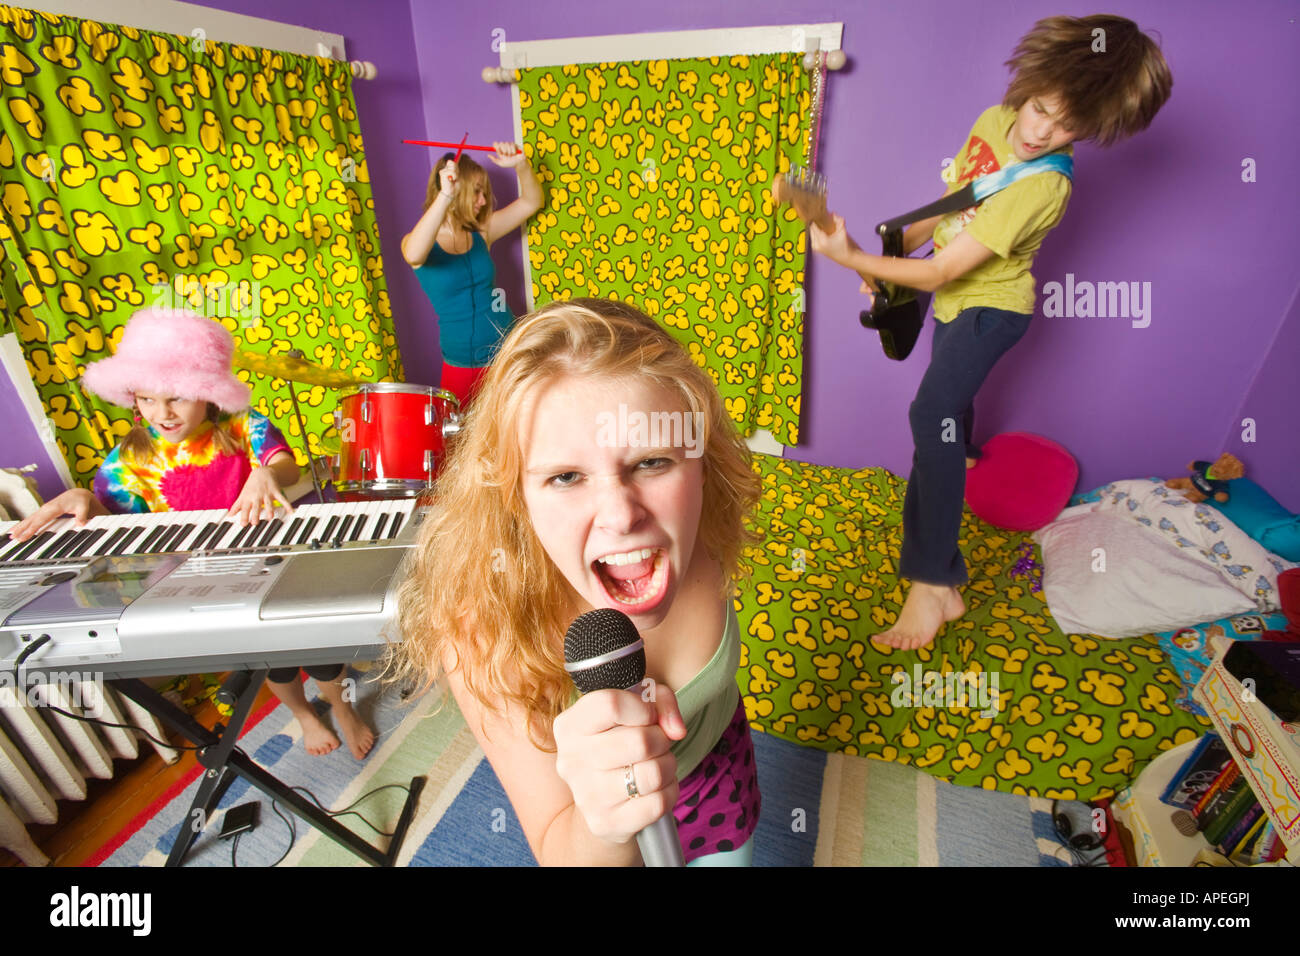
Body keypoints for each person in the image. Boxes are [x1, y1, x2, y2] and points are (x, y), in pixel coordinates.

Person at [808, 14, 1172, 651]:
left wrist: (852, 260)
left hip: (991, 310)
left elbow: (950, 269)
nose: (1040, 132)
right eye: (1038, 109)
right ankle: (964, 450)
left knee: (931, 413)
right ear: (1027, 86)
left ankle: (933, 583)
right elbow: (952, 208)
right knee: (950, 411)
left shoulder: (1047, 187)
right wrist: (886, 255)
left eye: (1067, 127)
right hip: (951, 298)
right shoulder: (993, 121)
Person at [393, 299, 762, 865]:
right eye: (566, 476)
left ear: (702, 463)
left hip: (721, 778)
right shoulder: (479, 629)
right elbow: (561, 849)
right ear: (515, 497)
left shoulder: (701, 522)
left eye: (653, 462)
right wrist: (608, 824)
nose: (621, 515)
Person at [9, 307, 376, 759]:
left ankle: (341, 707)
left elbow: (285, 463)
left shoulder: (244, 427)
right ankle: (302, 714)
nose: (160, 413)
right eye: (146, 400)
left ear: (207, 393)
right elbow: (122, 525)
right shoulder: (129, 456)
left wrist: (266, 473)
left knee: (318, 646)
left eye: (176, 398)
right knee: (273, 662)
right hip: (205, 577)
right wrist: (85, 499)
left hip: (272, 557)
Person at [401, 142, 543, 406]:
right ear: (455, 189)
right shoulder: (417, 241)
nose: (483, 201)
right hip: (462, 365)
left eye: (484, 193)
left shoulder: (482, 232)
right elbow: (413, 255)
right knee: (462, 441)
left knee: (514, 436)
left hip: (507, 352)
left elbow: (532, 202)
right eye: (477, 192)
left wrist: (521, 165)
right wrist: (445, 196)